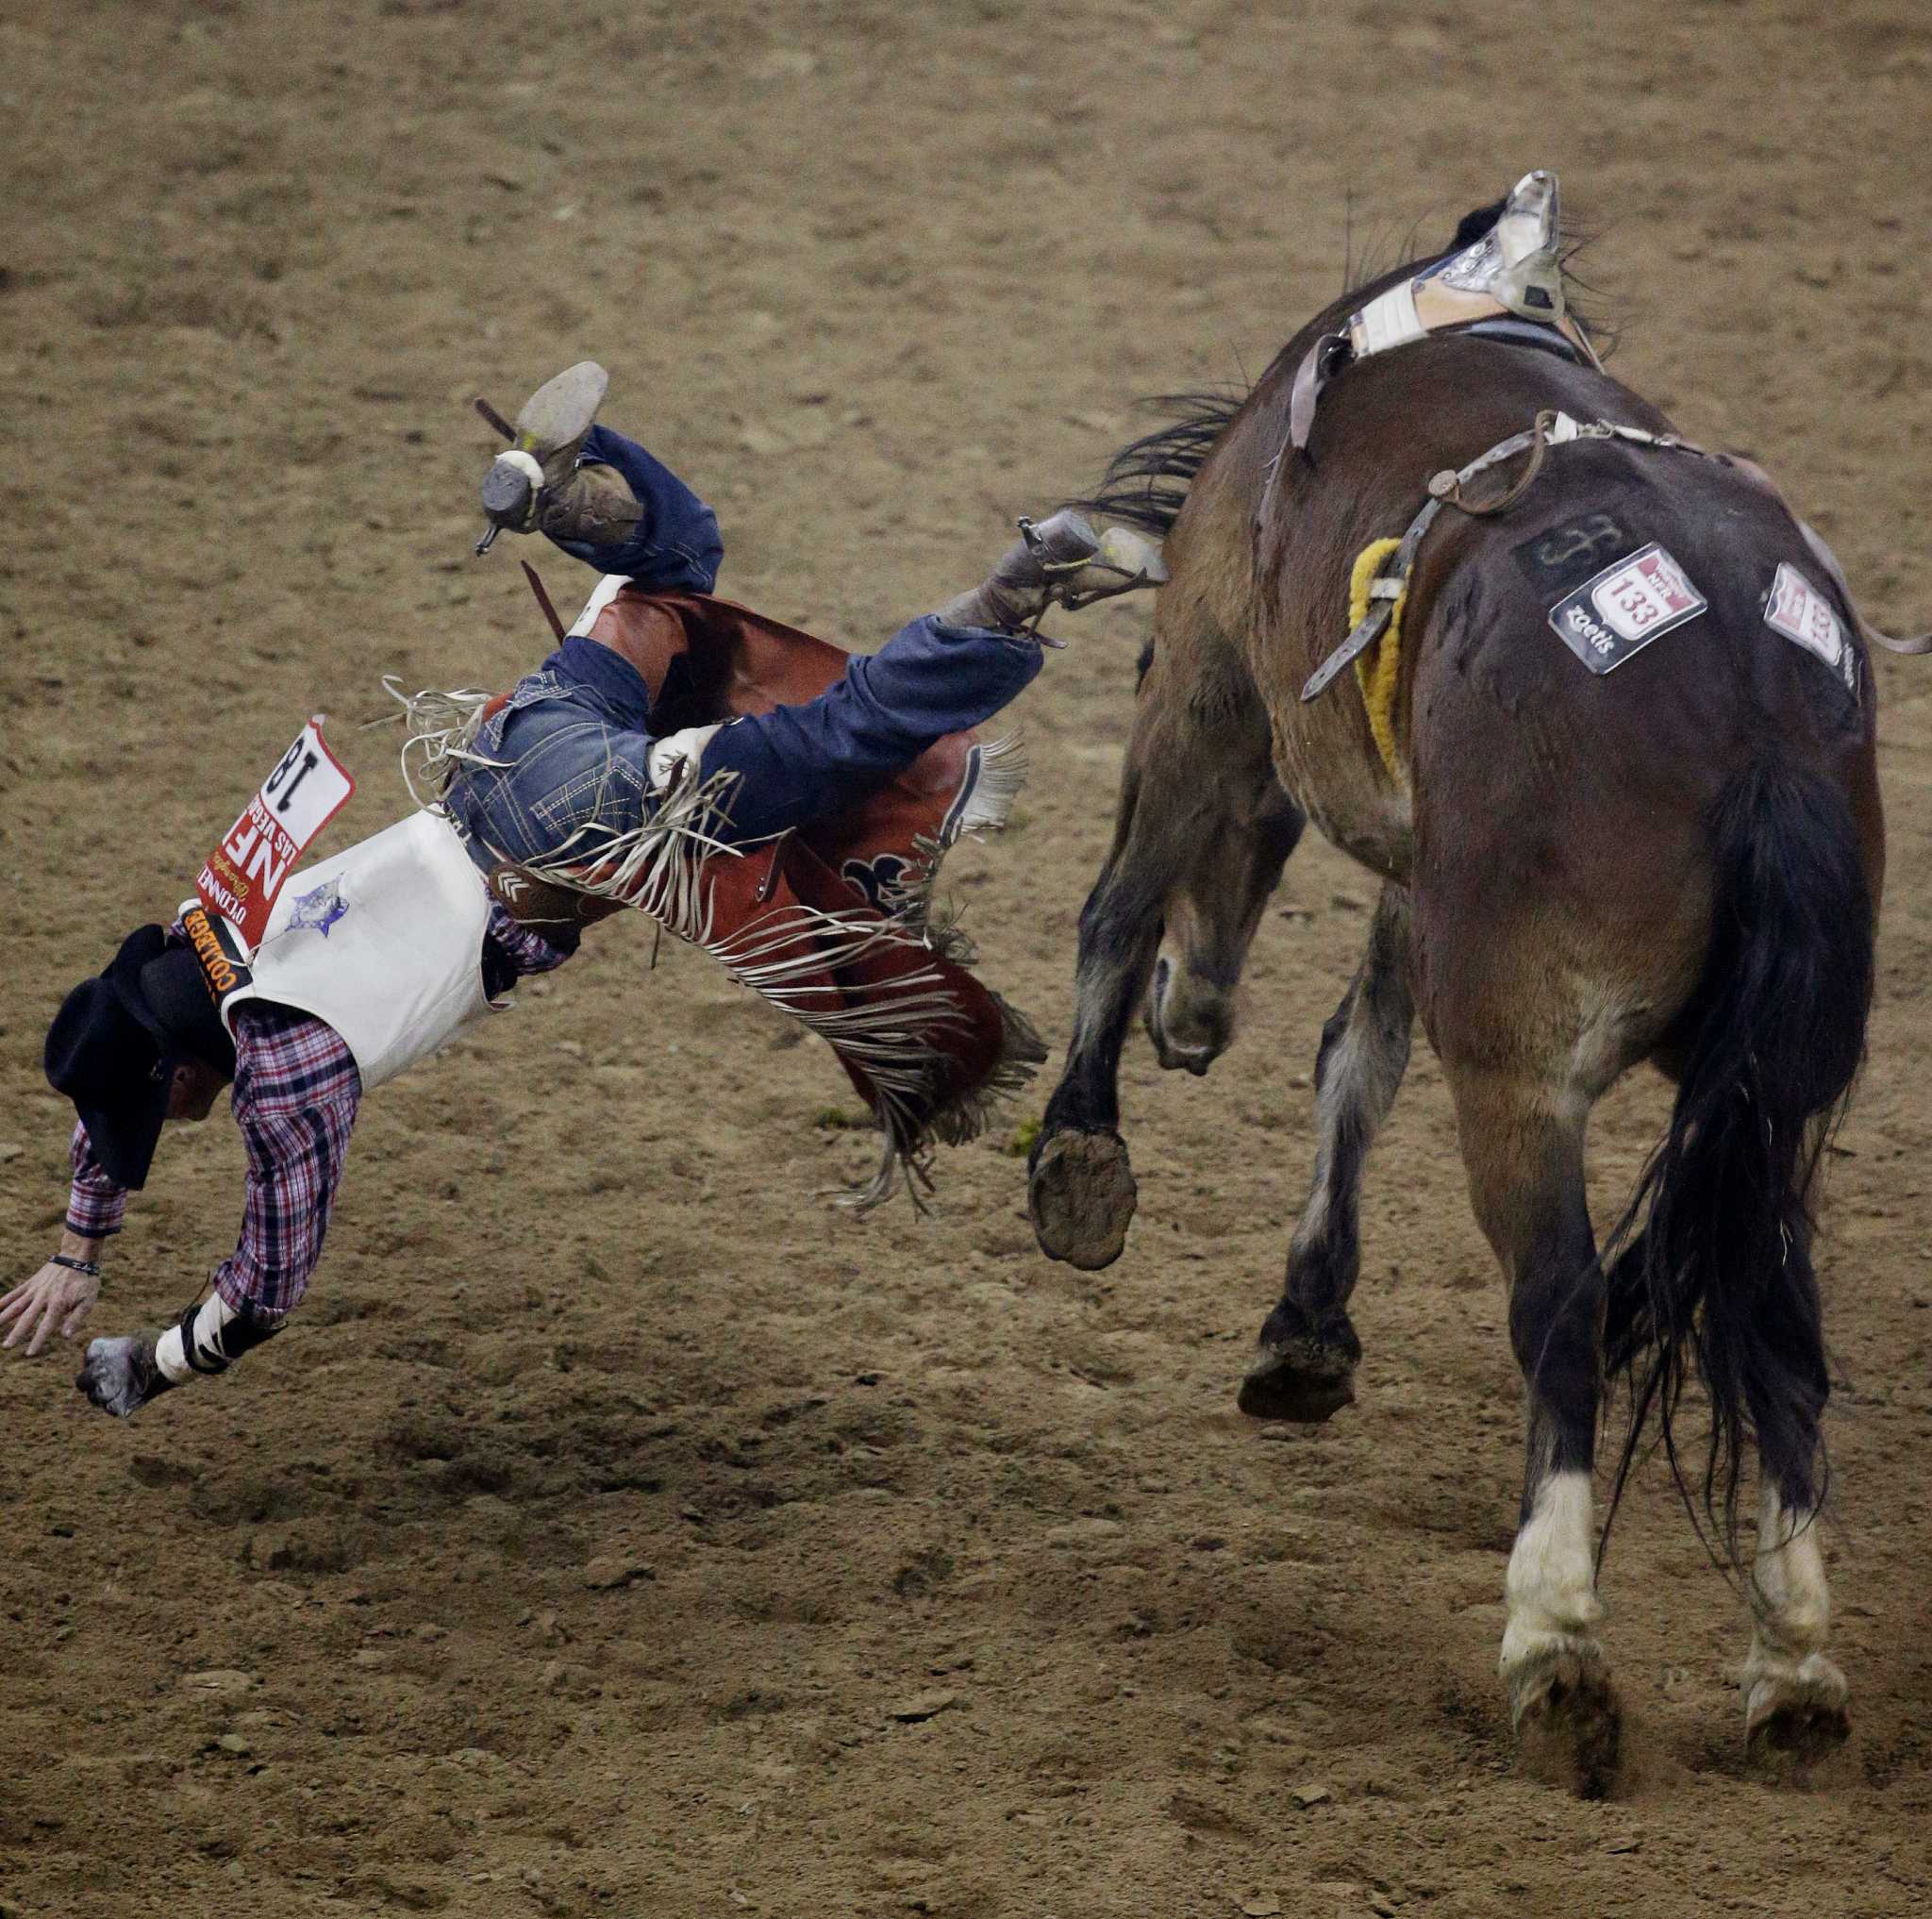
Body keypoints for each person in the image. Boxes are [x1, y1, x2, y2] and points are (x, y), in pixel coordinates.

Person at [4, 368, 1151, 1417]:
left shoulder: (282, 1074)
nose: (156, 1125)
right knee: (673, 571)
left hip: (575, 827)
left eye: (155, 1109)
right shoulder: (207, 933)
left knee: (826, 745)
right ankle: (562, 477)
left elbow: (263, 1287)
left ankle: (1008, 594)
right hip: (515, 743)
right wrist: (77, 1249)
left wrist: (150, 1361)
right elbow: (121, 1055)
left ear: (183, 1073)